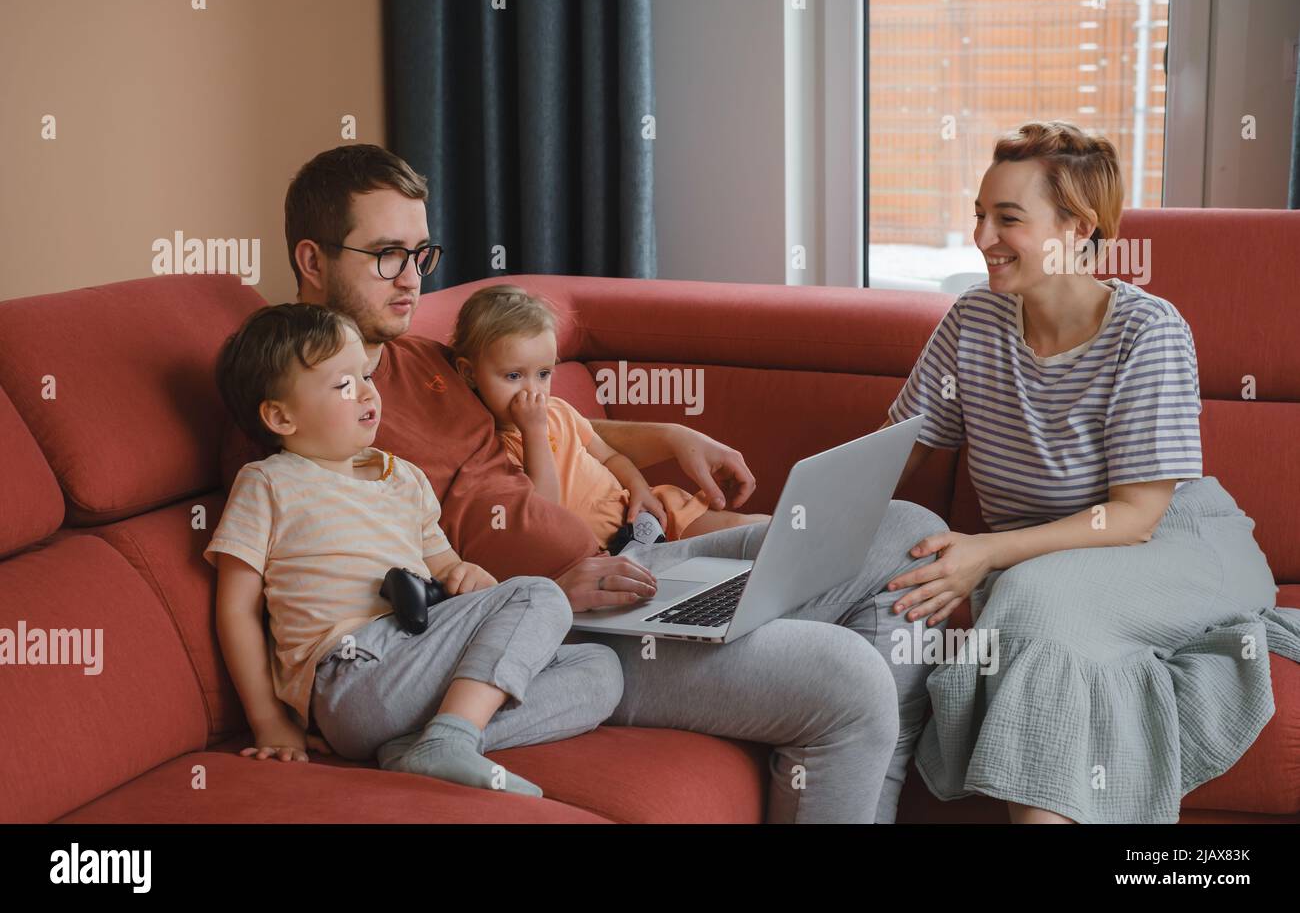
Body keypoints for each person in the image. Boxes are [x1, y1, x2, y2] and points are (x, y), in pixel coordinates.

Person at [220, 143, 948, 823]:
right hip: (548, 628)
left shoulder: (430, 361)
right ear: (311, 260)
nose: (414, 278)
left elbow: (543, 411)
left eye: (420, 252)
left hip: (625, 571)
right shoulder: (302, 424)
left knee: (908, 532)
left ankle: (854, 781)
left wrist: (664, 437)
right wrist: (540, 598)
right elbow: (342, 580)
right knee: (849, 678)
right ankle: (826, 722)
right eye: (385, 255)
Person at [880, 119, 1300, 823]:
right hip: (1053, 558)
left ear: (1078, 227)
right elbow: (902, 451)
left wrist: (987, 553)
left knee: (1030, 604)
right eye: (979, 216)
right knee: (1033, 603)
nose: (982, 238)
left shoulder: (1148, 330)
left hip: (1175, 541)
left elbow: (1136, 515)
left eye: (1007, 219)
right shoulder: (972, 324)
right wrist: (809, 518)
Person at [205, 302, 623, 797]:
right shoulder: (267, 482)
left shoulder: (403, 476)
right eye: (343, 384)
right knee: (539, 595)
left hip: (414, 667)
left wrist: (467, 575)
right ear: (280, 416)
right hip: (349, 672)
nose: (366, 392)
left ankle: (427, 746)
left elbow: (445, 565)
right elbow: (235, 608)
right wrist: (268, 718)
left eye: (367, 375)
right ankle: (449, 738)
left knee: (600, 671)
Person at [448, 283, 771, 548]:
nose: (533, 392)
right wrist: (533, 433)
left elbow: (611, 457)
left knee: (756, 532)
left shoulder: (560, 411)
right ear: (470, 373)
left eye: (543, 373)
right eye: (514, 376)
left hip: (646, 517)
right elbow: (543, 510)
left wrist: (640, 488)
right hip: (612, 552)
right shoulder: (492, 449)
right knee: (727, 559)